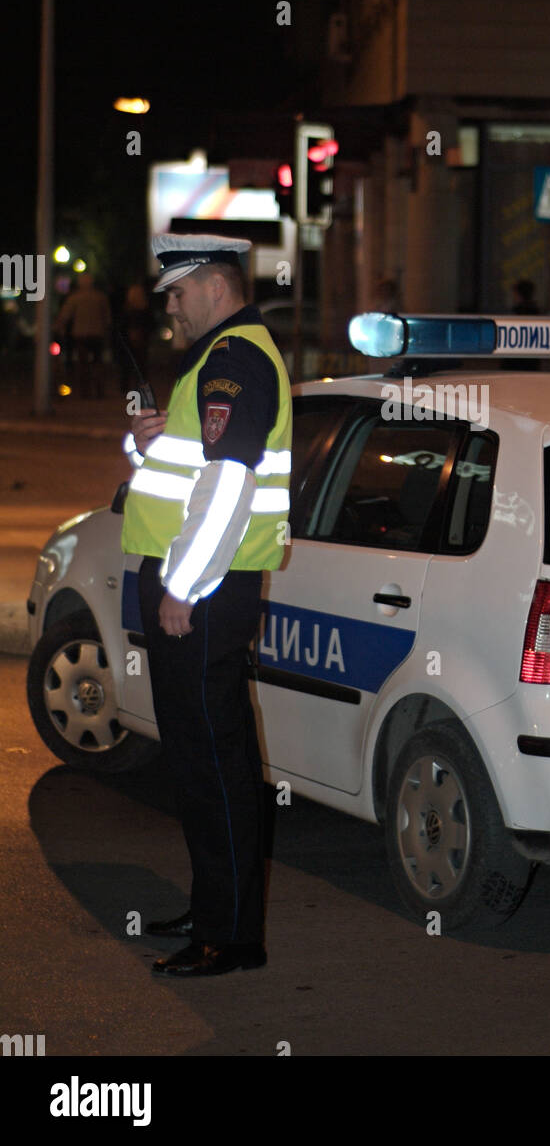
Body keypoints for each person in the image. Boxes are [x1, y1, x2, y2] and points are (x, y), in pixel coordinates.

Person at [121, 233, 291, 977]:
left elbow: (229, 484)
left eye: (177, 292)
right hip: (200, 584)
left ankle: (230, 937)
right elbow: (192, 469)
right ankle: (212, 906)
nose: (169, 306)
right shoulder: (217, 360)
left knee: (214, 762)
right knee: (195, 758)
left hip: (206, 591)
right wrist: (143, 445)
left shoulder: (234, 359)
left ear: (216, 288)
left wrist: (183, 587)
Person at [53, 272, 112, 397]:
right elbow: (107, 317)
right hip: (97, 333)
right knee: (98, 363)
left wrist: (57, 328)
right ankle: (99, 390)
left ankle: (85, 391)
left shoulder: (75, 298)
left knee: (83, 364)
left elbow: (65, 315)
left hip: (81, 334)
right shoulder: (100, 297)